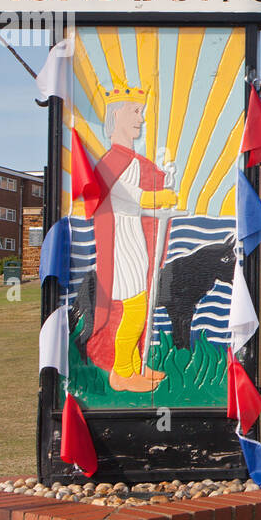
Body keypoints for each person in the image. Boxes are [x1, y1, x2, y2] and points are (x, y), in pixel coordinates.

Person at [84, 84, 173, 392]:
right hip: (120, 240)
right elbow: (121, 196)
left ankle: (134, 365)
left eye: (142, 112)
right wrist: (154, 197)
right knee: (135, 306)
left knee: (141, 304)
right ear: (117, 113)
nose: (141, 118)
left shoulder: (130, 158)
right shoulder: (111, 160)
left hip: (132, 234)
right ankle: (122, 372)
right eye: (136, 111)